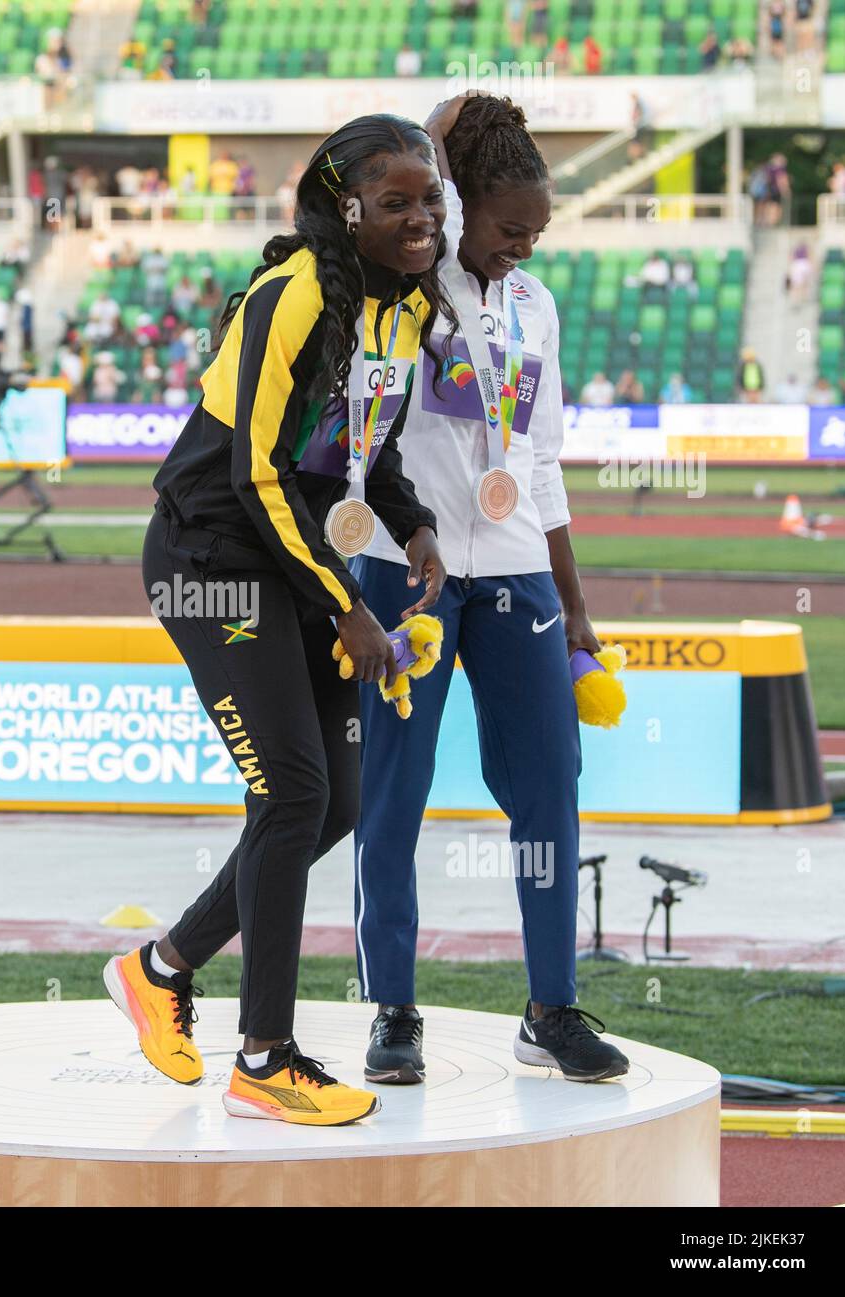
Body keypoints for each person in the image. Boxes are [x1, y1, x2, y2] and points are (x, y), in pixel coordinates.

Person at [106, 114, 450, 1126]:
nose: (420, 216)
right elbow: (255, 471)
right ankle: (264, 1054)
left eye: (429, 198)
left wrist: (415, 527)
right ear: (347, 208)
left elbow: (361, 447)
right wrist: (348, 607)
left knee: (330, 802)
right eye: (396, 201)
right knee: (295, 789)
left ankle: (158, 968)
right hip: (212, 559)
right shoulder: (291, 293)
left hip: (293, 563)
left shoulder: (404, 305)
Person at [352, 93, 630, 1087]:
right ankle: (391, 1010)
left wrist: (577, 606)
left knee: (549, 789)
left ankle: (550, 1008)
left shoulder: (535, 307)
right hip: (403, 567)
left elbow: (543, 460)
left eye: (537, 233)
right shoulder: (395, 292)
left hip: (518, 572)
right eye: (510, 229)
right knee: (392, 793)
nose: (523, 248)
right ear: (459, 203)